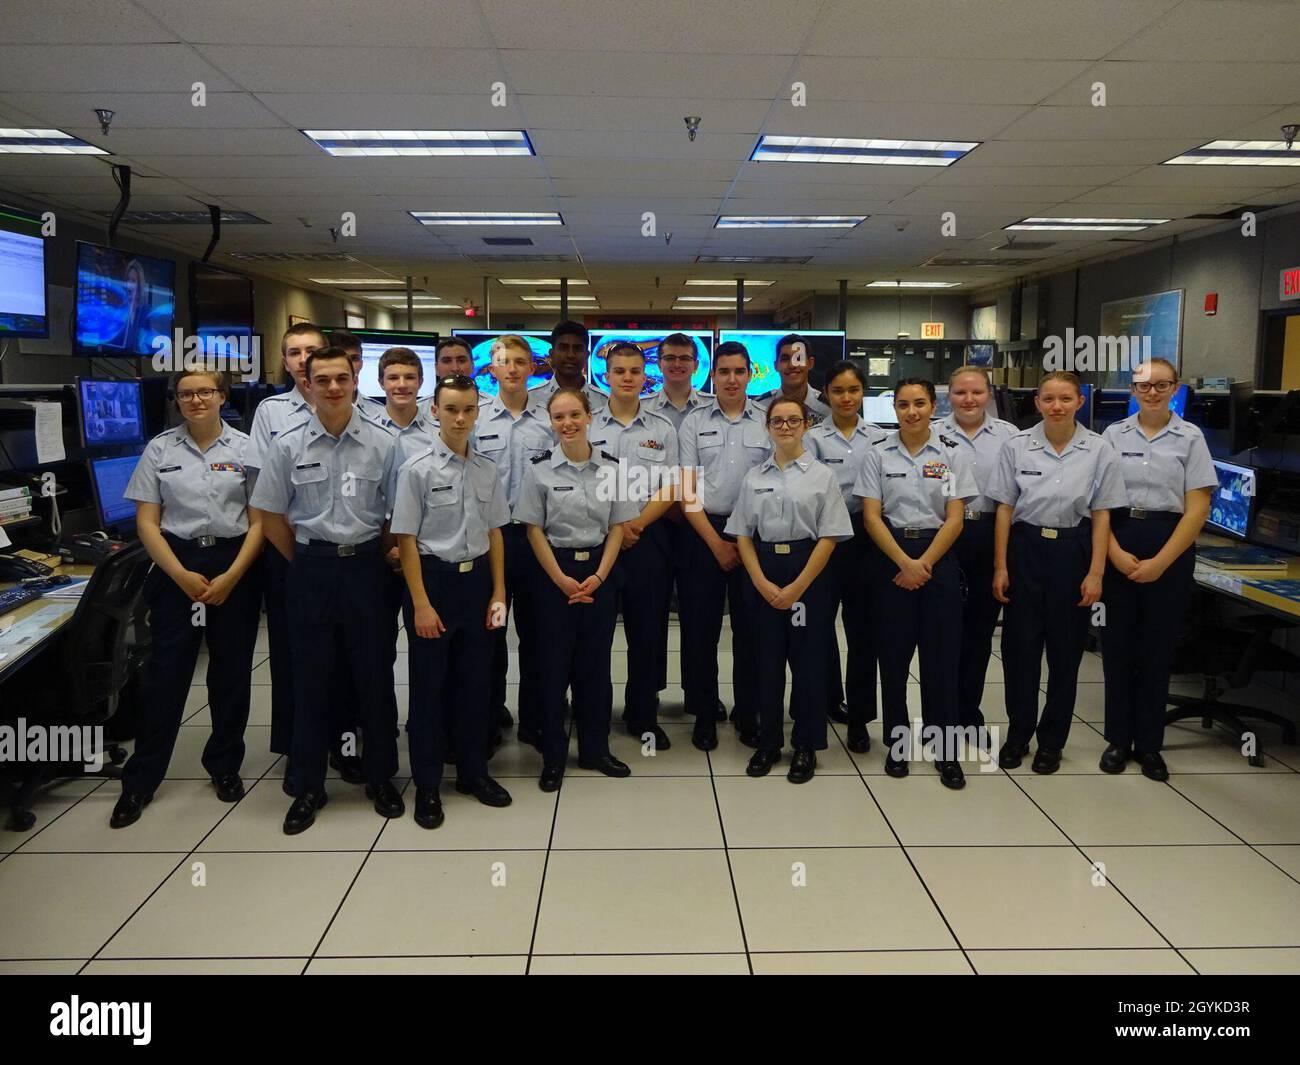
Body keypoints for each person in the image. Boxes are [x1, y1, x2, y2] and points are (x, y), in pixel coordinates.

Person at [249, 345, 404, 833]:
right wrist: (307, 561)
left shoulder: (384, 442)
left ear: (355, 380)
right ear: (308, 385)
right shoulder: (288, 443)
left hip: (367, 570)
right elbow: (271, 515)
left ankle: (380, 777)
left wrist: (371, 558)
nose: (333, 387)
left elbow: (396, 516)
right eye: (323, 380)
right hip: (311, 569)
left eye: (342, 378)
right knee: (310, 680)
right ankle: (308, 783)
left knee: (374, 677)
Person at [110, 369, 264, 828]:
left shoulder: (246, 448)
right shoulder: (159, 449)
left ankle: (224, 766)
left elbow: (259, 522)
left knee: (231, 672)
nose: (196, 400)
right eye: (185, 394)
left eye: (205, 391)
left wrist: (233, 576)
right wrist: (179, 576)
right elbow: (146, 524)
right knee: (166, 673)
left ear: (221, 396)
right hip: (176, 565)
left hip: (234, 564)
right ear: (176, 401)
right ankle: (141, 780)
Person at [987, 371, 1128, 774]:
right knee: (1020, 652)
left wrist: (1097, 572)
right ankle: (1018, 736)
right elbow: (1004, 509)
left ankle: (1052, 742)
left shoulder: (1099, 450)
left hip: (1073, 550)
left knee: (1065, 655)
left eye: (1065, 398)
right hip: (1026, 549)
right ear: (1037, 402)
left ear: (1079, 402)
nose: (1057, 406)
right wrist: (1000, 565)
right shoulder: (1018, 446)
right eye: (1048, 399)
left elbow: (1102, 515)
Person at [391, 374, 512, 829]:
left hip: (478, 583)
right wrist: (420, 604)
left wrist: (499, 592)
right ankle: (426, 785)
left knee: (475, 686)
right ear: (434, 412)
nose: (460, 418)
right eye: (451, 410)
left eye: (468, 410)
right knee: (429, 688)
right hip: (433, 586)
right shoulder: (417, 469)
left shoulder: (486, 469)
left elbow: (496, 532)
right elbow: (405, 540)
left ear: (477, 412)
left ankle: (473, 773)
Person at [245, 324, 362, 790]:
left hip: (352, 555)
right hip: (292, 551)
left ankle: (349, 748)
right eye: (293, 352)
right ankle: (301, 750)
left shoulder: (364, 416)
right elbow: (262, 496)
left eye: (310, 350)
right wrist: (304, 557)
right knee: (298, 660)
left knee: (355, 661)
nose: (301, 359)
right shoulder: (272, 413)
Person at [514, 388, 640, 791]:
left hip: (599, 572)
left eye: (574, 415)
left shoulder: (612, 468)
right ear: (551, 422)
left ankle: (595, 749)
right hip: (554, 575)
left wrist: (600, 577)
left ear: (590, 416)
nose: (567, 424)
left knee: (594, 667)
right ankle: (553, 756)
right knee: (552, 669)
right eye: (558, 417)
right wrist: (560, 579)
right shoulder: (538, 470)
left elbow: (619, 527)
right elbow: (533, 530)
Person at [857, 379, 977, 789]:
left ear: (932, 406)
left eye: (920, 403)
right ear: (894, 408)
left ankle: (945, 750)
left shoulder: (951, 454)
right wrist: (903, 563)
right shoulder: (877, 454)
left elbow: (955, 517)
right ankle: (898, 743)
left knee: (941, 659)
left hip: (937, 558)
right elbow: (871, 516)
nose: (912, 412)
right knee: (892, 658)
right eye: (904, 404)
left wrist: (922, 563)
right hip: (890, 558)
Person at [1100, 358, 1216, 780]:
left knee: (1156, 649)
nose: (1152, 392)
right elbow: (1097, 503)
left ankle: (1149, 745)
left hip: (1171, 542)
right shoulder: (1112, 435)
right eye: (1144, 386)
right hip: (1120, 537)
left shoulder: (1191, 437)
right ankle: (1117, 739)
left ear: (1175, 389)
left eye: (1161, 385)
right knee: (1117, 648)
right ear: (1132, 389)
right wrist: (1113, 552)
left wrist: (1161, 562)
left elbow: (1198, 506)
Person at [727, 398, 852, 783]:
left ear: (805, 425)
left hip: (807, 571)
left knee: (809, 661)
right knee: (766, 660)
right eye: (777, 421)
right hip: (764, 570)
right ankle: (768, 742)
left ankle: (805, 744)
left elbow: (830, 536)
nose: (784, 427)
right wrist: (761, 582)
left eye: (792, 420)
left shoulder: (821, 476)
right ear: (767, 426)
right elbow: (743, 535)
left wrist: (797, 587)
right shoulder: (754, 477)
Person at [678, 341, 770, 750]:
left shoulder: (769, 420)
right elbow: (686, 490)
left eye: (739, 371)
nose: (732, 379)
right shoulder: (693, 423)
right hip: (705, 534)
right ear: (711, 376)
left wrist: (742, 541)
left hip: (755, 534)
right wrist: (715, 543)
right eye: (724, 371)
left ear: (750, 374)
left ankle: (748, 710)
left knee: (751, 631)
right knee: (700, 629)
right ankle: (703, 712)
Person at [591, 343, 679, 747]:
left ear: (646, 377)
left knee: (648, 632)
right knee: (596, 633)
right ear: (605, 375)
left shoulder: (662, 428)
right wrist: (614, 528)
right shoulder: (587, 424)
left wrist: (635, 525)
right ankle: (593, 713)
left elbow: (674, 487)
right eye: (619, 370)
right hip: (596, 540)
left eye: (635, 371)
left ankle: (643, 713)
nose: (627, 377)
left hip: (647, 539)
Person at [476, 336, 555, 747]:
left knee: (537, 634)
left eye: (520, 362)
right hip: (489, 538)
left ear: (531, 368)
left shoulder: (548, 422)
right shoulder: (475, 420)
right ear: (491, 369)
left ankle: (535, 721)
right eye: (503, 362)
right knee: (491, 631)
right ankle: (488, 718)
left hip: (534, 537)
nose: (511, 368)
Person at [805, 361, 888, 751]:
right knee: (818, 632)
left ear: (862, 393)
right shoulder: (812, 438)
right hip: (825, 542)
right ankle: (818, 704)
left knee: (864, 635)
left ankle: (858, 717)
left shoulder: (881, 439)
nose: (846, 397)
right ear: (826, 394)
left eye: (853, 390)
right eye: (837, 390)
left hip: (868, 542)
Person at [936, 366, 1018, 731]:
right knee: (944, 631)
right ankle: (943, 713)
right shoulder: (932, 434)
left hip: (988, 534)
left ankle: (969, 712)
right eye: (960, 393)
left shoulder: (1011, 437)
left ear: (989, 394)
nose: (969, 400)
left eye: (977, 393)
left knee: (979, 632)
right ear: (948, 395)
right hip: (943, 536)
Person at [643, 333, 711, 716]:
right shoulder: (643, 407)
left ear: (696, 364)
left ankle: (699, 696)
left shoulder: (711, 408)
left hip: (697, 526)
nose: (677, 364)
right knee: (651, 615)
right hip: (653, 524)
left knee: (697, 615)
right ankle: (649, 692)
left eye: (685, 358)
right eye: (670, 358)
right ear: (659, 362)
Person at [526, 321, 608, 417]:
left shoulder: (604, 402)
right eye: (563, 348)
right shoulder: (531, 398)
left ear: (587, 355)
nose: (570, 355)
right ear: (552, 354)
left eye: (577, 348)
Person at [756, 333, 830, 425]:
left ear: (810, 363)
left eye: (798, 358)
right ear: (776, 366)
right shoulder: (760, 407)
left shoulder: (828, 408)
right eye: (785, 359)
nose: (792, 365)